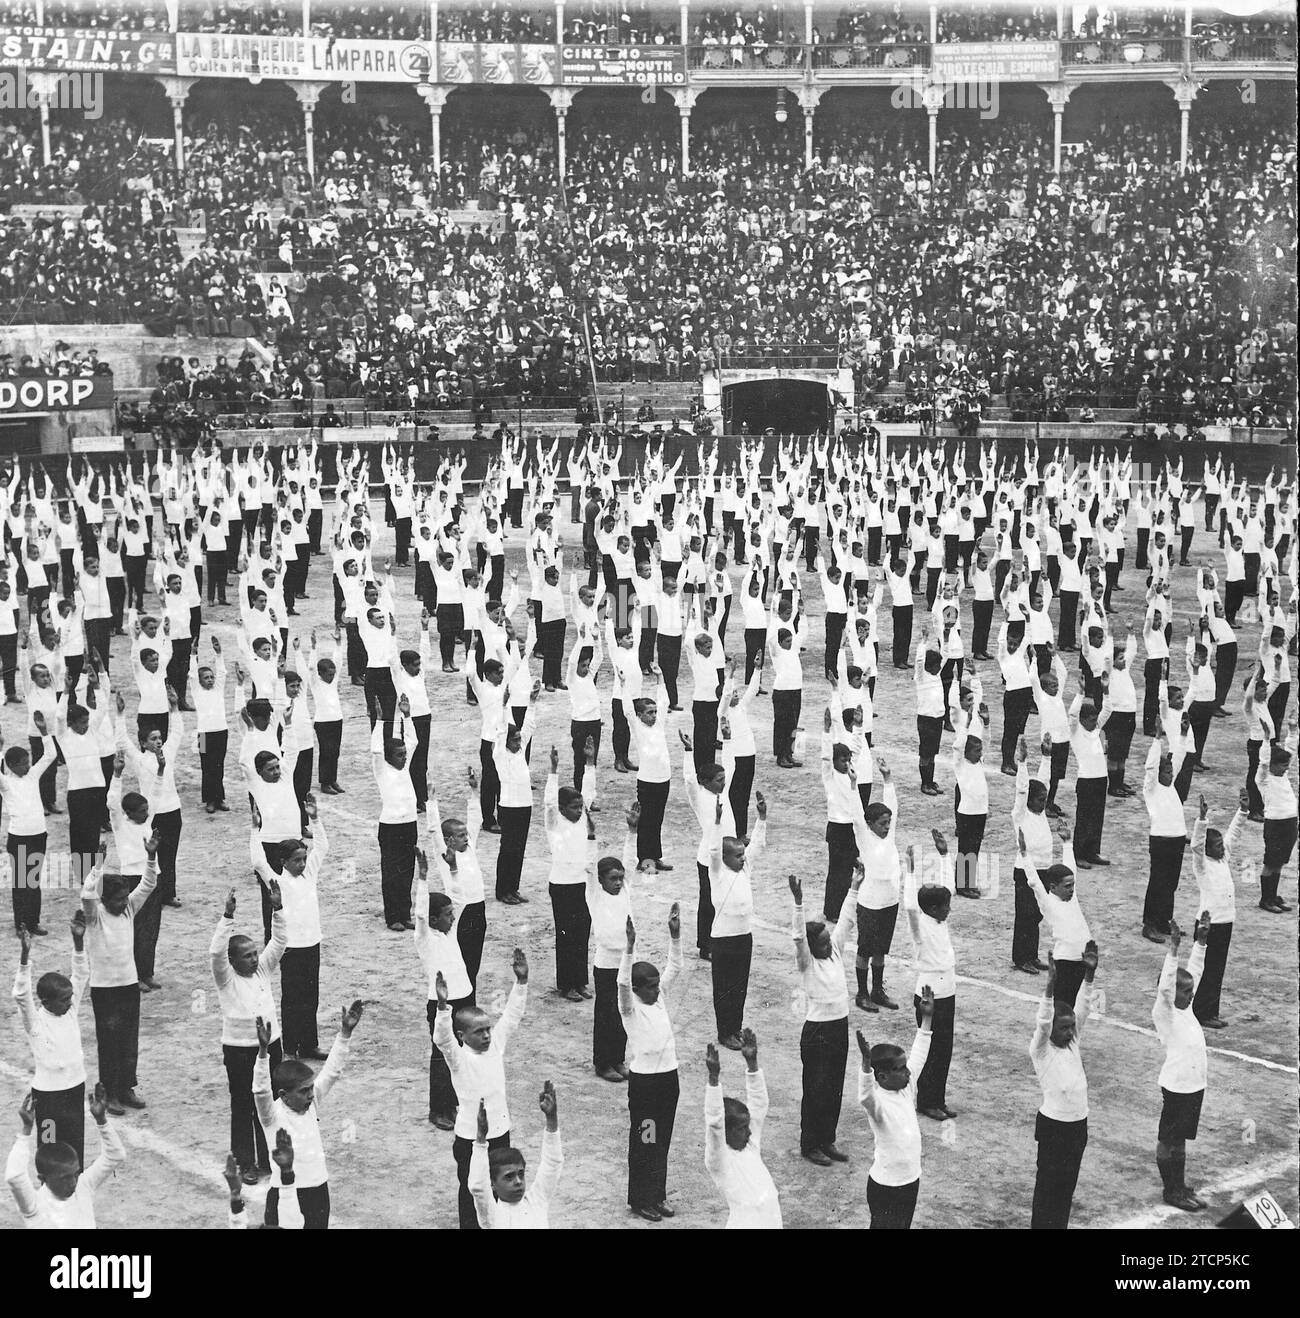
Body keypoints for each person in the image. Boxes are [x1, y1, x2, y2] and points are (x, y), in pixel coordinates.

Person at [433, 948, 529, 1230]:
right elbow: (443, 1039)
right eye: (479, 1032)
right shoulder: (459, 1058)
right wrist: (442, 1007)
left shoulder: (495, 1045)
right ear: (462, 1036)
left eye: (488, 1029)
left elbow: (511, 1017)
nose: (487, 1035)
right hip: (471, 1139)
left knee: (500, 1190)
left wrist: (521, 983)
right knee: (472, 1189)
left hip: (501, 1132)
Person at [253, 999, 364, 1229]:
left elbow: (332, 1071)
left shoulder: (311, 1103)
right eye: (304, 1091)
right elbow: (261, 1090)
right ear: (283, 1095)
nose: (311, 1095)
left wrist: (344, 1033)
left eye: (311, 1088)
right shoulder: (271, 1114)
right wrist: (263, 1053)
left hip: (318, 1192)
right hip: (285, 1192)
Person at [210, 879, 287, 1186]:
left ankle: (270, 1157)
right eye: (247, 956)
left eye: (256, 953)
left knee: (271, 1104)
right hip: (240, 1050)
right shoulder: (225, 978)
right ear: (232, 961)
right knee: (243, 1105)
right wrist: (227, 918)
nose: (255, 959)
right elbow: (216, 953)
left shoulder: (263, 970)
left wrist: (277, 908)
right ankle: (245, 1162)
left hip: (272, 1046)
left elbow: (279, 940)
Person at [81, 832, 157, 1115]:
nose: (125, 902)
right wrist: (97, 866)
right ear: (105, 899)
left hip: (127, 986)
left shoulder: (128, 910)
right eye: (118, 898)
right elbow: (86, 893)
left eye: (126, 897)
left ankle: (126, 1087)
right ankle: (109, 1092)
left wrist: (150, 856)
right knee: (110, 1043)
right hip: (104, 990)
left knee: (128, 1040)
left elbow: (148, 884)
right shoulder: (94, 915)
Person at [1028, 943, 1100, 1230]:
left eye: (1072, 1027)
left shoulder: (1073, 1042)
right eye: (1064, 1027)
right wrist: (1050, 988)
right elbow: (1043, 1023)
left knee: (1066, 1187)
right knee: (1048, 1188)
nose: (1070, 1032)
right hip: (1054, 1128)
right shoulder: (1041, 1050)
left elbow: (1082, 1008)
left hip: (1077, 1126)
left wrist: (1089, 976)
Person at [619, 904, 683, 1223]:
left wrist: (675, 936)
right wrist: (629, 949)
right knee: (647, 1141)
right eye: (650, 986)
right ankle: (640, 1199)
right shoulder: (630, 1009)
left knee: (662, 1141)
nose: (657, 990)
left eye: (658, 984)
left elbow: (676, 966)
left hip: (668, 1082)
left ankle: (657, 1195)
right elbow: (620, 984)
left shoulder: (659, 999)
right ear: (636, 989)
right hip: (645, 1087)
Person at [790, 871, 856, 1167]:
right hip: (817, 1031)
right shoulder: (807, 963)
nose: (829, 944)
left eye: (830, 940)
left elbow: (846, 921)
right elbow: (798, 937)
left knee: (834, 1087)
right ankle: (810, 1143)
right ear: (812, 947)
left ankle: (827, 1139)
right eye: (824, 942)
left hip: (839, 1027)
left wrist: (854, 886)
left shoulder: (836, 954)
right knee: (815, 1089)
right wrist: (799, 903)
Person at [13, 912, 90, 1167]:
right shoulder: (35, 1022)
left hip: (75, 1089)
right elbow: (22, 995)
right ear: (46, 1002)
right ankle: (48, 1190)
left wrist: (78, 943)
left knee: (75, 1147)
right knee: (49, 1146)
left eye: (70, 999)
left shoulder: (69, 1010)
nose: (70, 1003)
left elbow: (80, 975)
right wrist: (25, 958)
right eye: (64, 1000)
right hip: (48, 1097)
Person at [856, 986, 935, 1229]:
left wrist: (927, 1018)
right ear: (882, 1077)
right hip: (886, 1186)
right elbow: (864, 1096)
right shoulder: (877, 1104)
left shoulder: (906, 1089)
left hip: (911, 1180)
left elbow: (920, 1055)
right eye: (900, 1069)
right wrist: (866, 1066)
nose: (908, 1072)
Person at [1152, 915, 1211, 1212]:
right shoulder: (1166, 1013)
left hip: (1194, 1086)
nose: (1190, 997)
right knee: (1170, 1139)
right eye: (1185, 992)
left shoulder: (1185, 1009)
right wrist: (1173, 951)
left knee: (1181, 1141)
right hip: (1176, 1088)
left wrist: (1200, 942)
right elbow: (1166, 988)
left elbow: (1195, 974)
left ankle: (1180, 1185)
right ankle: (1170, 1190)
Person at [6, 1084, 124, 1228]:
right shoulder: (34, 1206)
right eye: (65, 1178)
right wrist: (26, 1130)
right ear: (43, 1179)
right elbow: (14, 1176)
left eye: (75, 1174)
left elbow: (116, 1156)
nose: (73, 1182)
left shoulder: (83, 1185)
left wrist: (101, 1121)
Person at [702, 1029, 782, 1229]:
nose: (749, 1133)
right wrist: (713, 1079)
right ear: (726, 1133)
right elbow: (714, 1123)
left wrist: (752, 1064)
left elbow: (759, 1105)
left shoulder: (749, 1146)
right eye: (741, 1128)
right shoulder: (719, 1161)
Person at [707, 793, 768, 1049]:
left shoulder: (745, 868)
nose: (743, 858)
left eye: (743, 855)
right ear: (724, 858)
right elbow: (713, 848)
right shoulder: (717, 872)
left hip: (744, 935)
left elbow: (758, 846)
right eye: (737, 856)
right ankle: (725, 1032)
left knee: (740, 985)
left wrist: (761, 818)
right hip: (723, 938)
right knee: (725, 987)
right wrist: (717, 822)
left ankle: (736, 1027)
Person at [902, 836, 956, 1121]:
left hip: (948, 990)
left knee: (944, 1049)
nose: (949, 908)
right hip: (930, 993)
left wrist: (945, 856)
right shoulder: (920, 926)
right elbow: (910, 905)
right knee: (932, 1050)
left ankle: (938, 1098)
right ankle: (926, 1101)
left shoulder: (938, 917)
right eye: (945, 905)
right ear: (933, 909)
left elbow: (947, 889)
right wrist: (910, 871)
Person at [468, 1082, 563, 1230]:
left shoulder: (537, 1200)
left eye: (521, 1174)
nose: (518, 1182)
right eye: (509, 1177)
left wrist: (552, 1120)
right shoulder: (492, 1216)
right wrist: (480, 1139)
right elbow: (478, 1187)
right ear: (492, 1183)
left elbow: (552, 1163)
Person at [1190, 791, 1244, 1028]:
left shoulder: (1223, 859)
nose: (1223, 849)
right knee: (1206, 969)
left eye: (1222, 846)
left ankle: (1209, 1011)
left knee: (1217, 970)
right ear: (1208, 849)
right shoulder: (1202, 865)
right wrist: (1202, 820)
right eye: (1218, 846)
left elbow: (1233, 834)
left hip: (1226, 923)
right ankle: (1200, 1012)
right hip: (1209, 925)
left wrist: (1242, 811)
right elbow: (1196, 846)